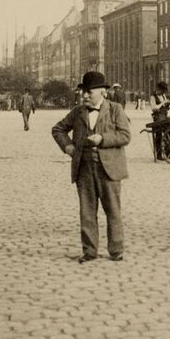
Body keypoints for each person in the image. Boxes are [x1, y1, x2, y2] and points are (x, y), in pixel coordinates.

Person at [51, 71, 130, 263]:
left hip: (109, 169)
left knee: (113, 210)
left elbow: (125, 135)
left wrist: (103, 139)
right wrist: (68, 146)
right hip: (84, 169)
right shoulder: (78, 112)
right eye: (83, 92)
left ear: (102, 91)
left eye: (89, 92)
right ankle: (89, 250)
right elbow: (57, 129)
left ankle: (116, 249)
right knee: (87, 211)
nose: (85, 95)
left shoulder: (115, 109)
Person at [150, 81, 170, 160]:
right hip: (157, 117)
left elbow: (165, 105)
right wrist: (162, 103)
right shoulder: (153, 96)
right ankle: (159, 155)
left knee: (169, 132)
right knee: (158, 135)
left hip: (164, 116)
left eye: (164, 91)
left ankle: (168, 152)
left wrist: (167, 103)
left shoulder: (163, 95)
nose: (163, 92)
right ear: (158, 89)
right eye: (162, 90)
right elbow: (154, 108)